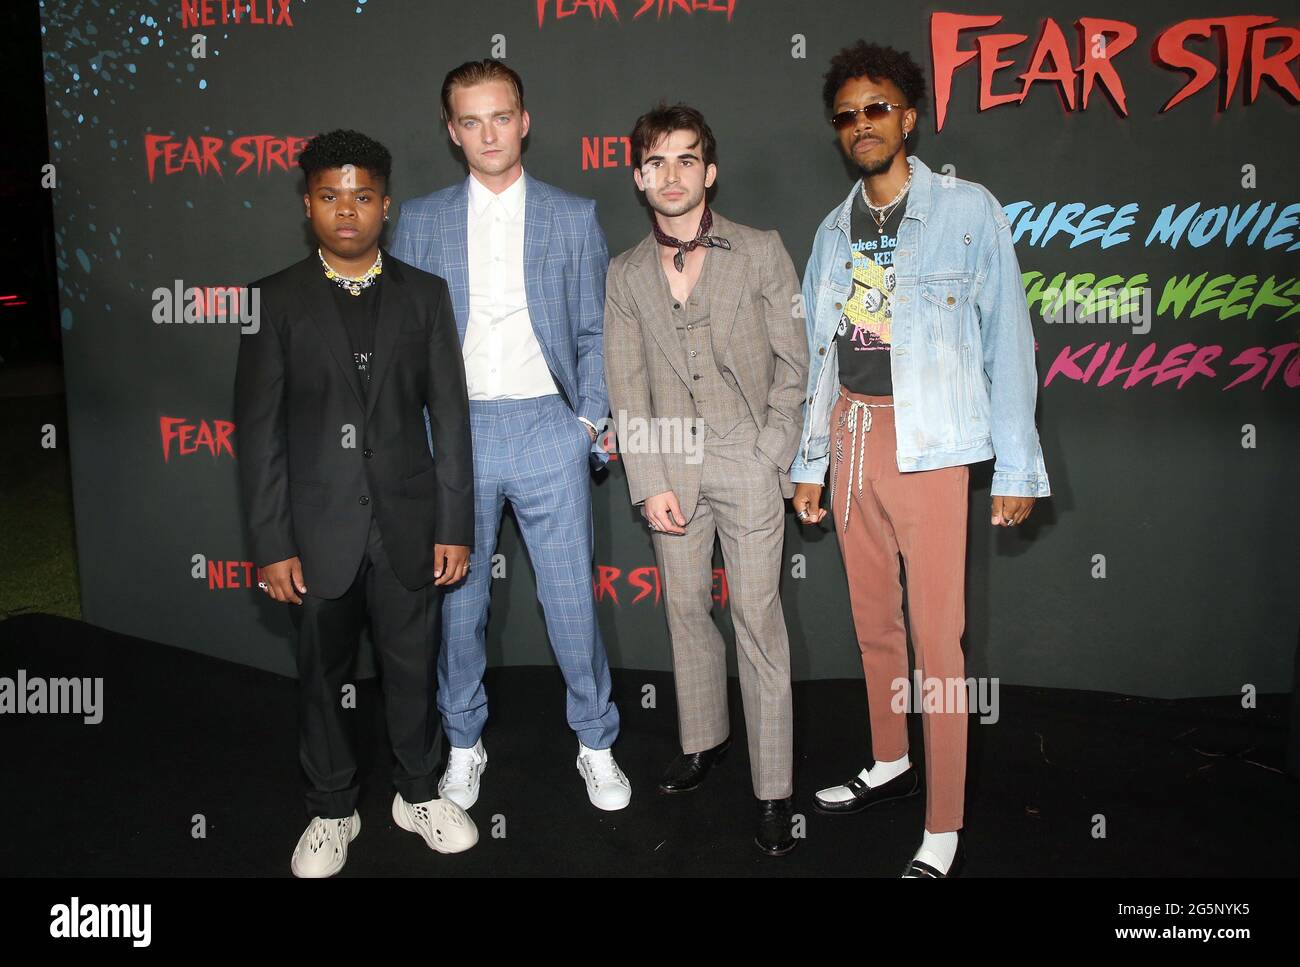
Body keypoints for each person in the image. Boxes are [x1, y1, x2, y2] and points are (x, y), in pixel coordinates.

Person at [791, 43, 1051, 878]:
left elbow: (1008, 338)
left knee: (939, 640)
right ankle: (891, 759)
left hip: (931, 441)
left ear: (909, 116)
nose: (861, 125)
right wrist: (812, 458)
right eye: (846, 115)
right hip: (851, 435)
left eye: (877, 108)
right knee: (874, 624)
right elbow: (817, 355)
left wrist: (1015, 466)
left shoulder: (968, 210)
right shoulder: (834, 231)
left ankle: (944, 820)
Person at [234, 129, 479, 877]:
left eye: (363, 195)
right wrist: (272, 541)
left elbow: (452, 418)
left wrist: (454, 523)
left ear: (386, 205)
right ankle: (331, 807)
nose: (348, 209)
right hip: (315, 534)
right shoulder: (270, 300)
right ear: (308, 203)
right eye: (331, 195)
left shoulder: (425, 295)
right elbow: (257, 433)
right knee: (322, 676)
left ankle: (418, 791)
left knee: (413, 667)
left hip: (408, 526)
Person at [391, 60, 629, 812]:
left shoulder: (573, 213)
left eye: (501, 116)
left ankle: (596, 740)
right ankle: (464, 743)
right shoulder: (421, 220)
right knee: (457, 606)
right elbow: (402, 343)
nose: (488, 133)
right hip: (454, 434)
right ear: (452, 131)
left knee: (570, 603)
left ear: (524, 121)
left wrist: (586, 422)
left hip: (545, 425)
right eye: (471, 120)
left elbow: (596, 331)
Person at [603, 104, 808, 854]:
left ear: (709, 171)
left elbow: (796, 363)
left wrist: (770, 450)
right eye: (655, 162)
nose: (671, 174)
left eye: (686, 159)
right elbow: (626, 386)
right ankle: (703, 740)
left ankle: (774, 789)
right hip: (669, 469)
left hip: (747, 462)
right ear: (637, 177)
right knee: (687, 612)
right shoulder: (625, 272)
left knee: (758, 623)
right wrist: (647, 476)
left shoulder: (760, 251)